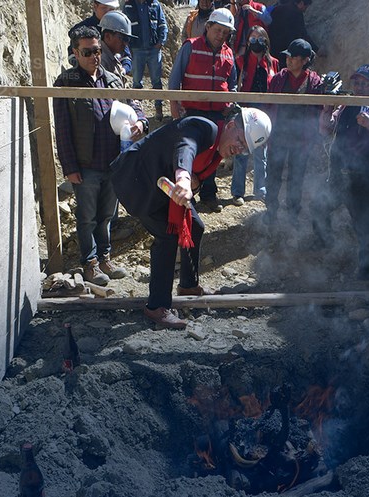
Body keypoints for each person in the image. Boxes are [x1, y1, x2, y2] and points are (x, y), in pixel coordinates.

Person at [110, 108, 272, 329]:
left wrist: (192, 182)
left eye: (245, 148)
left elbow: (197, 175)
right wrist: (184, 179)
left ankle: (188, 286)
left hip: (163, 186)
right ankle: (156, 307)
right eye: (240, 140)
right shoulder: (202, 127)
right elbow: (185, 147)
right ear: (232, 126)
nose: (239, 149)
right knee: (167, 237)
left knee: (195, 226)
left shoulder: (218, 151)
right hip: (138, 181)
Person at [53, 25, 147, 285]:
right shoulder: (65, 83)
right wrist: (70, 166)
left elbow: (134, 104)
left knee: (106, 216)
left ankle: (105, 258)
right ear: (75, 52)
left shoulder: (112, 79)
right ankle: (90, 264)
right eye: (87, 52)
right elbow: (62, 129)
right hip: (85, 166)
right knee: (86, 218)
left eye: (97, 50)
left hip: (113, 162)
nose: (94, 56)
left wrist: (141, 122)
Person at [314, 65, 369, 280]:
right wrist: (326, 110)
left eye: (365, 83)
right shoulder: (346, 104)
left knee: (362, 219)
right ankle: (325, 245)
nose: (360, 87)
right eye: (357, 82)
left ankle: (368, 268)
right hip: (339, 169)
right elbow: (326, 129)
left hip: (367, 172)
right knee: (320, 206)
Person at [169, 7, 239, 212]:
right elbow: (175, 79)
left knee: (212, 157)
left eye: (226, 33)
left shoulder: (229, 54)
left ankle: (208, 195)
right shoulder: (190, 47)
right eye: (218, 30)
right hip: (193, 112)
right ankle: (187, 194)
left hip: (218, 114)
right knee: (191, 154)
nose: (221, 36)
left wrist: (229, 106)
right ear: (208, 27)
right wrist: (175, 108)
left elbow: (232, 84)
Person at [264, 38, 323, 224]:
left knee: (296, 176)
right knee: (273, 174)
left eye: (294, 57)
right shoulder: (278, 79)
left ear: (305, 60)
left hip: (301, 138)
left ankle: (292, 214)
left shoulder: (315, 83)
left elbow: (319, 111)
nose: (288, 60)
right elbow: (269, 106)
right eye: (288, 56)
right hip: (279, 134)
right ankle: (271, 210)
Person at [230, 26, 278, 205]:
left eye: (259, 38)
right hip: (244, 111)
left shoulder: (274, 63)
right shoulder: (240, 61)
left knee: (261, 153)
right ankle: (237, 192)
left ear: (265, 41)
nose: (255, 42)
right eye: (252, 38)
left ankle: (260, 190)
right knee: (241, 151)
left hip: (264, 113)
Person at [123, 0, 168, 120]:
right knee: (137, 82)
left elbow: (162, 24)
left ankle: (158, 109)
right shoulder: (129, 5)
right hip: (137, 49)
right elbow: (124, 26)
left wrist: (160, 42)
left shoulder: (155, 4)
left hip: (154, 49)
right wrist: (127, 46)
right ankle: (137, 111)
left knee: (156, 82)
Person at [67, 0, 133, 76]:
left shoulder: (116, 29)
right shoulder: (82, 30)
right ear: (95, 6)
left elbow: (126, 57)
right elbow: (73, 56)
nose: (108, 12)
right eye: (104, 8)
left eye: (111, 9)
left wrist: (123, 69)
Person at [268, 0, 316, 69]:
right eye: (306, 6)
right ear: (301, 3)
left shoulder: (277, 9)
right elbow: (303, 34)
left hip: (273, 50)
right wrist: (316, 49)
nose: (305, 9)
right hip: (288, 52)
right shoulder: (297, 14)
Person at [99, 11, 136, 82]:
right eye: (123, 38)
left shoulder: (112, 57)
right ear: (108, 36)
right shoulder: (100, 60)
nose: (125, 44)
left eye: (127, 39)